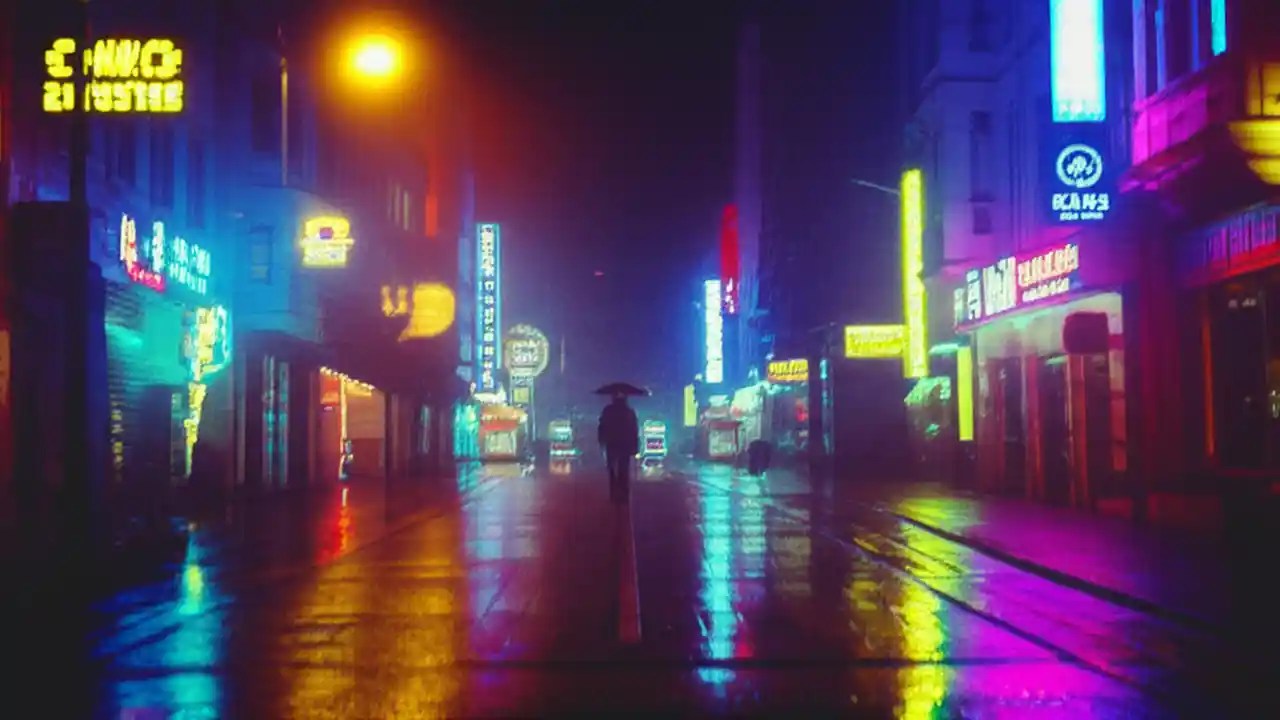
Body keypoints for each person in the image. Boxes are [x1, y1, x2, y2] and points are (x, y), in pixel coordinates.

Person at [598, 393, 639, 502]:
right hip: (625, 444)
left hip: (611, 443)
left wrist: (602, 440)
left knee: (611, 469)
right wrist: (635, 446)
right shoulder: (629, 412)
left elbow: (602, 427)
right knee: (624, 469)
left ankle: (613, 493)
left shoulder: (608, 411)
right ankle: (624, 494)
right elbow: (634, 430)